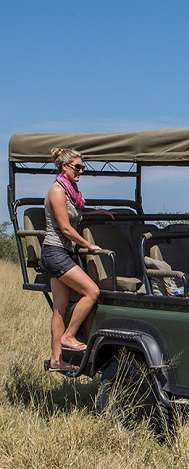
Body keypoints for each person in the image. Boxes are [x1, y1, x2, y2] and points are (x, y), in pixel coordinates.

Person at [40, 147, 109, 371]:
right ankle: (69, 336)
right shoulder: (57, 191)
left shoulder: (71, 191)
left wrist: (99, 213)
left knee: (59, 308)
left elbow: (78, 214)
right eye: (77, 167)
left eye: (83, 167)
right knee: (92, 291)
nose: (81, 171)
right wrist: (89, 245)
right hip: (55, 252)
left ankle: (56, 360)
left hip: (62, 252)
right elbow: (66, 229)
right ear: (64, 166)